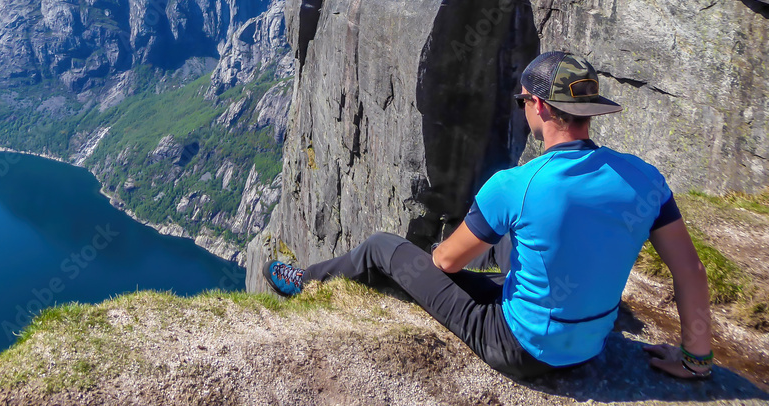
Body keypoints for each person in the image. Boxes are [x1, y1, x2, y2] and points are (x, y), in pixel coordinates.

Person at [263, 51, 713, 381]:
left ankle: (305, 280)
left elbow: (447, 264)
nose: (523, 109)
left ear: (538, 105)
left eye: (522, 101)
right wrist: (695, 360)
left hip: (519, 349)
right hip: (591, 345)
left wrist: (426, 260)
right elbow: (690, 270)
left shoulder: (515, 185)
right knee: (504, 264)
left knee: (384, 248)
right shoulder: (645, 179)